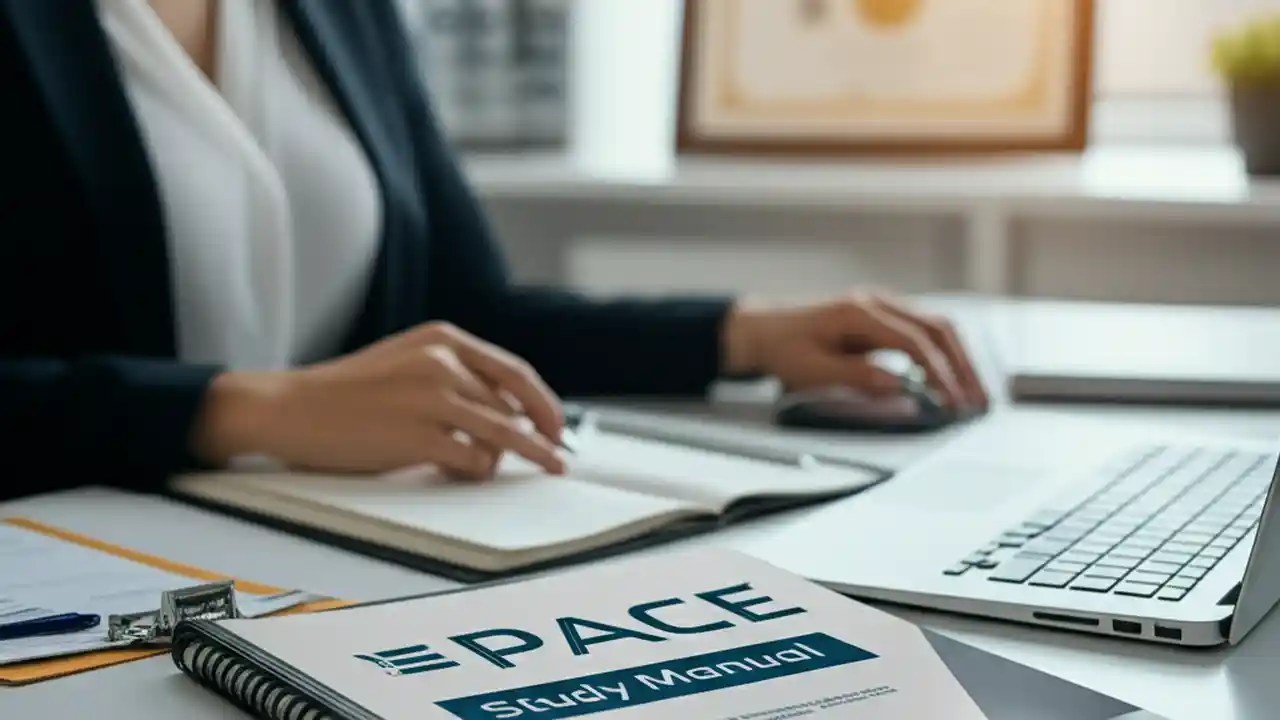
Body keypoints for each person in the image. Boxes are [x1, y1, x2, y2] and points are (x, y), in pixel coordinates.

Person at [0, 0, 987, 500]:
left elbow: (469, 318)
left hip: (341, 559)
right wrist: (250, 409)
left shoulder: (333, 12)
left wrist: (739, 336)